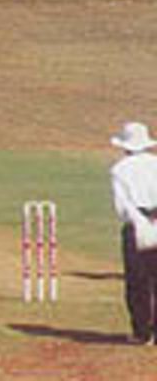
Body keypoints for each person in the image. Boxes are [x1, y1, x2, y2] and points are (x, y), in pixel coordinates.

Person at [109, 121, 157, 345]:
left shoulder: (120, 169)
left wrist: (139, 221)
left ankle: (142, 331)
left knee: (138, 280)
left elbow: (122, 206)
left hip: (136, 224)